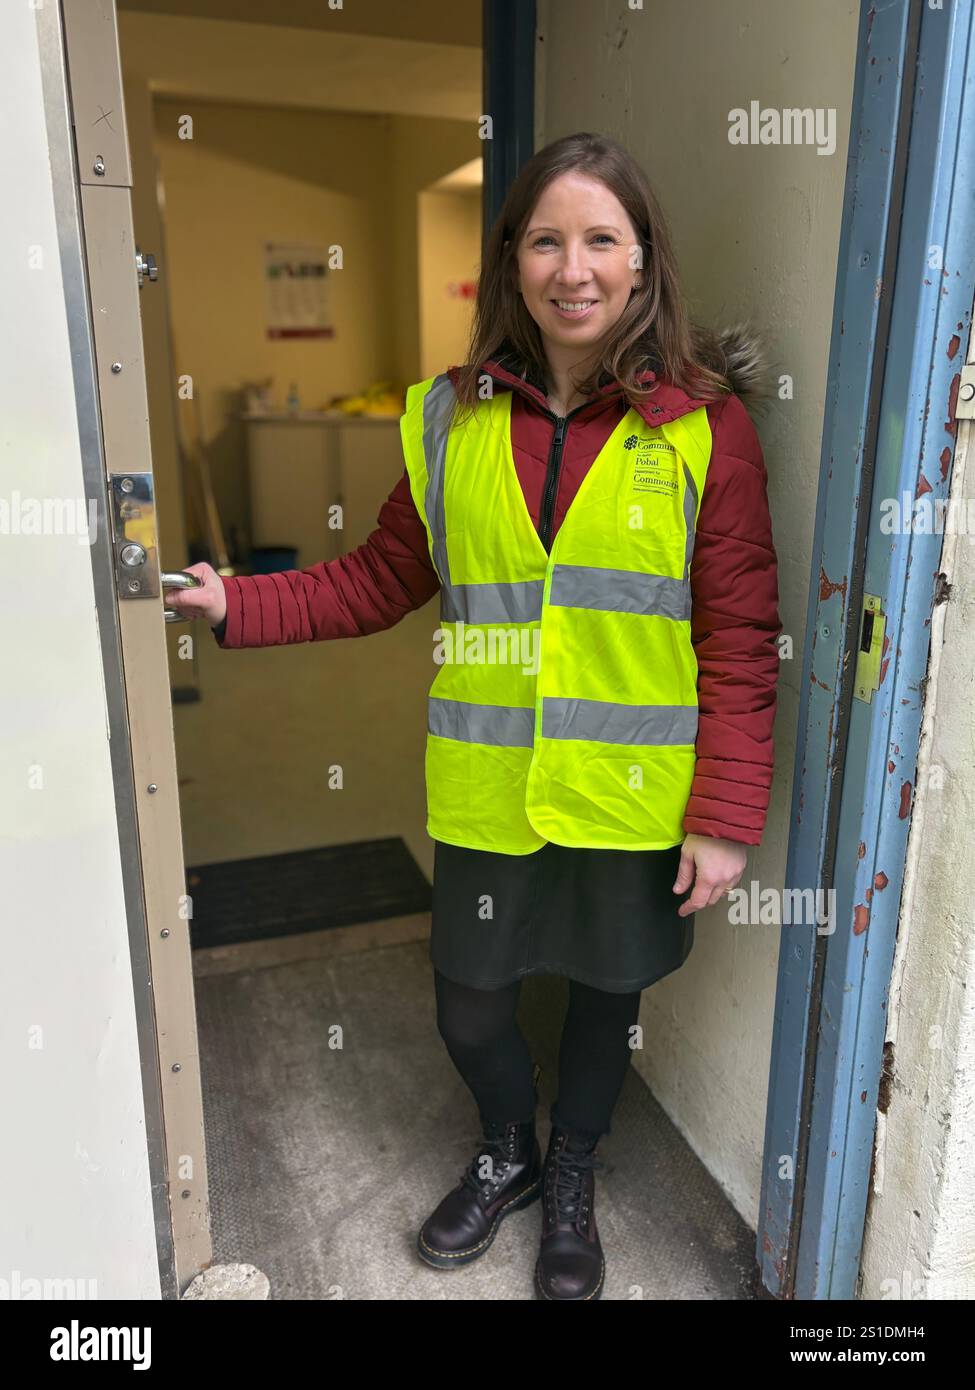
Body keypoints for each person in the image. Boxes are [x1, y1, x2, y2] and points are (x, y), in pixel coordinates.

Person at [167, 131, 781, 1302]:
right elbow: (374, 579)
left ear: (644, 263)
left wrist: (725, 814)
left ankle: (574, 1168)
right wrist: (233, 598)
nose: (575, 267)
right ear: (513, 261)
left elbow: (742, 639)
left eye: (602, 239)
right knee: (471, 999)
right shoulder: (452, 421)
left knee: (610, 993)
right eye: (547, 239)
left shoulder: (706, 431)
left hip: (629, 795)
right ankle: (507, 1144)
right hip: (489, 787)